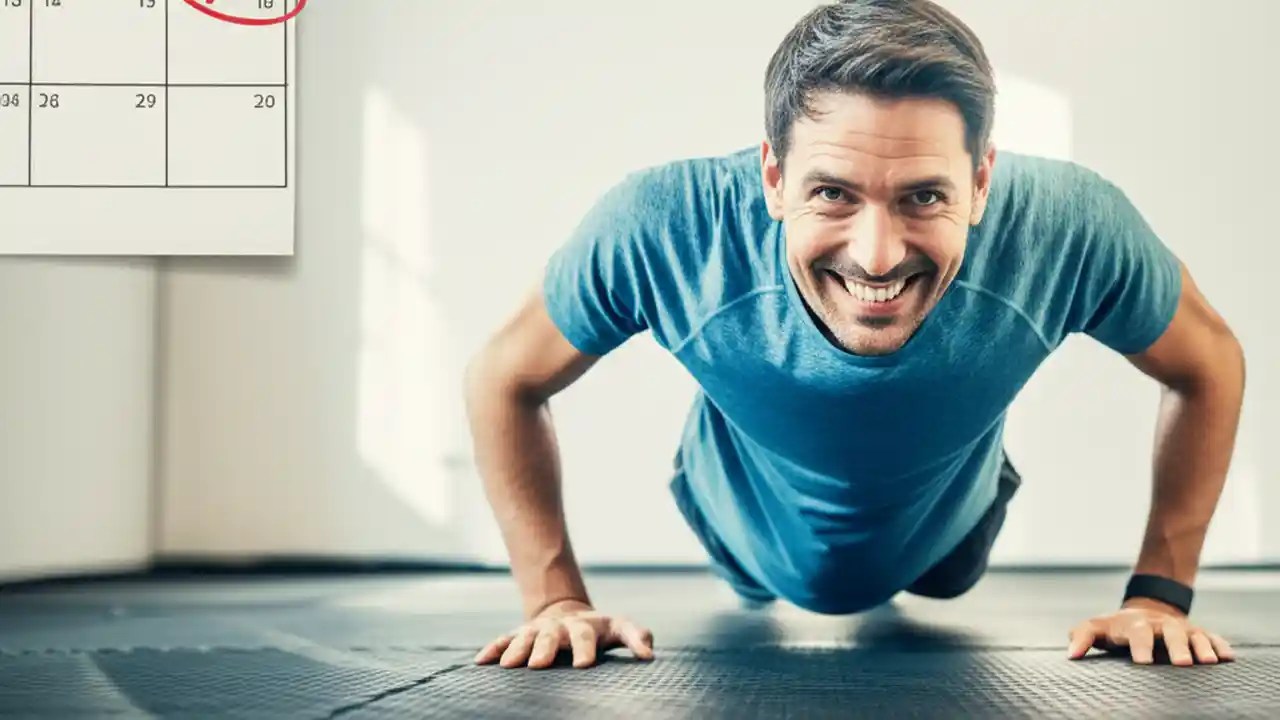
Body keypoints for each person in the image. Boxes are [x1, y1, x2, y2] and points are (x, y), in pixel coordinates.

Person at [463, 0, 1244, 671]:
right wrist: (554, 599)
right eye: (832, 193)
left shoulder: (1071, 228)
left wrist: (1159, 597)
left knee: (944, 580)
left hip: (949, 527)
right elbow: (504, 376)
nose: (877, 255)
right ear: (773, 177)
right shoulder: (662, 226)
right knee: (760, 580)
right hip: (748, 523)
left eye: (924, 197)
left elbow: (1209, 362)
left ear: (981, 183)